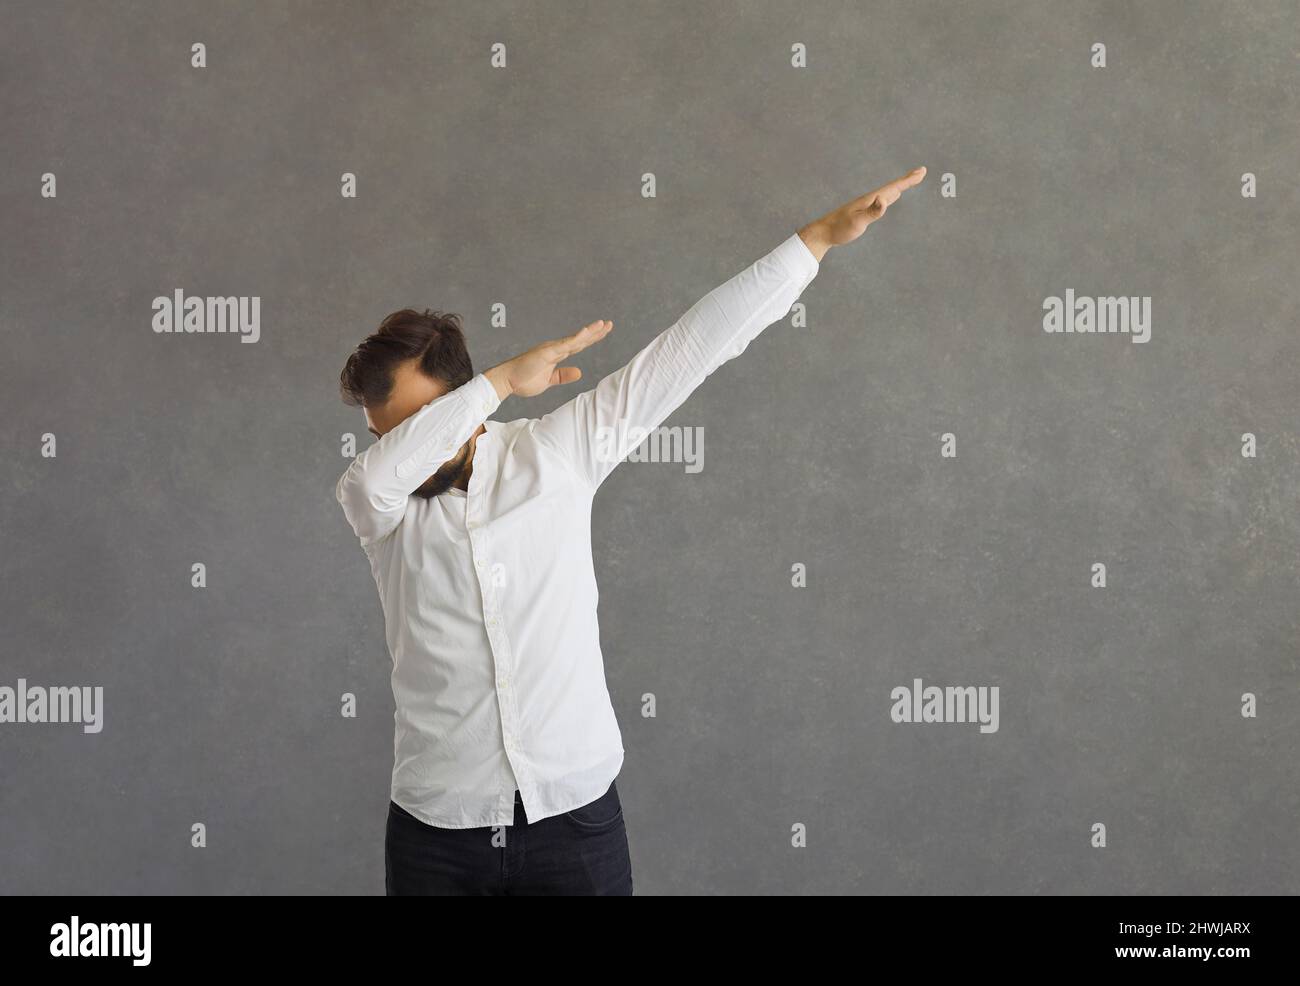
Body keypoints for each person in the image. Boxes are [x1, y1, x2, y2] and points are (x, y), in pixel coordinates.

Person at [335, 166, 928, 895]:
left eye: (420, 428)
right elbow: (371, 478)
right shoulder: (380, 506)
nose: (404, 452)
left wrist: (814, 243)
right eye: (385, 436)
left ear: (458, 405)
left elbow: (686, 353)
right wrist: (498, 382)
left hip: (574, 819)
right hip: (436, 832)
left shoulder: (555, 453)